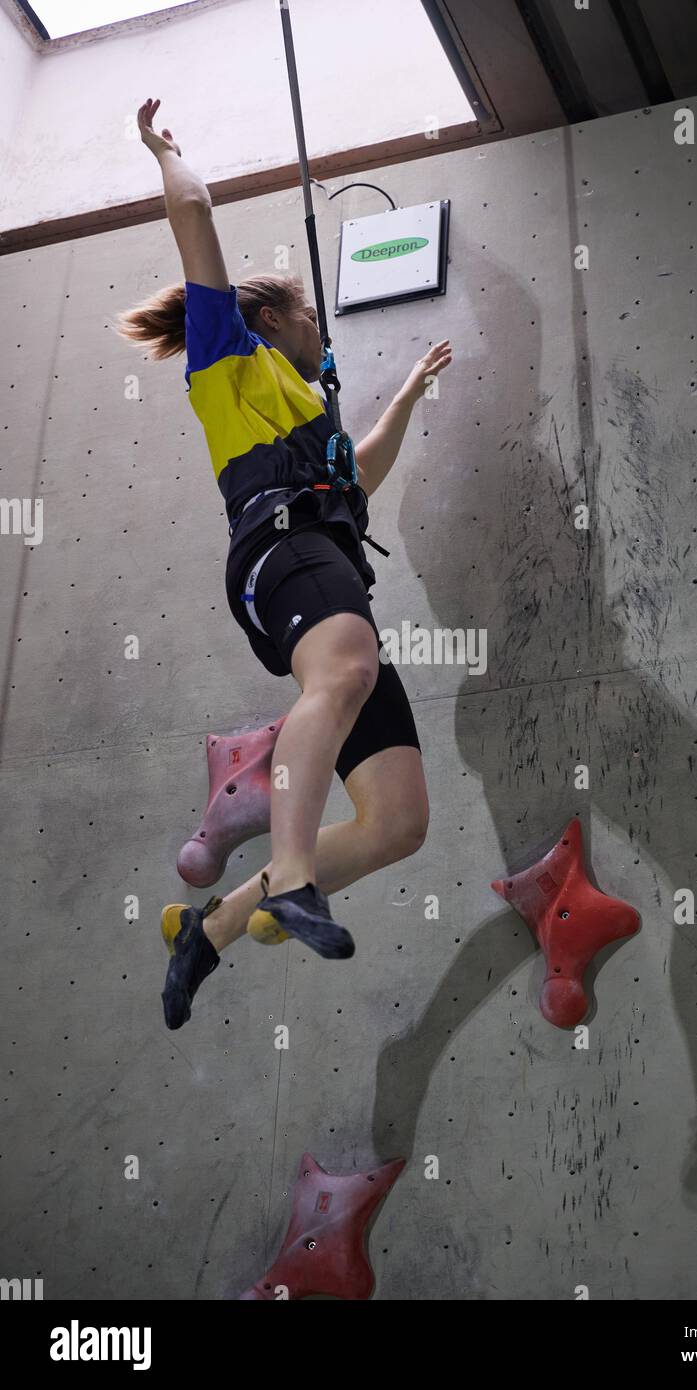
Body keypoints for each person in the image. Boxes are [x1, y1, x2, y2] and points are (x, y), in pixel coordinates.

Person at [116, 98, 451, 1030]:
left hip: (327, 565)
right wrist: (168, 154)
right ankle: (294, 874)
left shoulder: (306, 410)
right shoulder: (230, 360)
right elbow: (194, 219)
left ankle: (210, 930)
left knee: (397, 821)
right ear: (268, 318)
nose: (320, 328)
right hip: (278, 555)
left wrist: (409, 397)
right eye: (308, 313)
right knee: (345, 666)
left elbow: (359, 479)